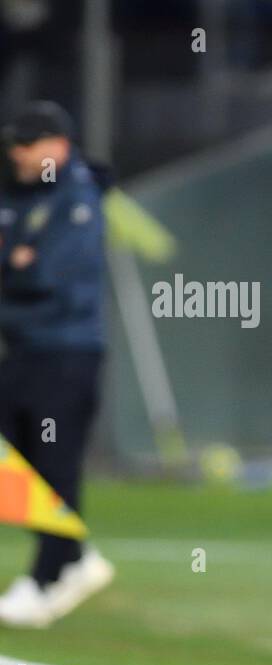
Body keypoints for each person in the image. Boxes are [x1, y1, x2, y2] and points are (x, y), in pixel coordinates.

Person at [0, 101, 114, 628]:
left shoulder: (78, 199)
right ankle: (72, 556)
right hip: (24, 351)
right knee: (16, 464)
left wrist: (16, 262)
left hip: (66, 353)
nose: (16, 153)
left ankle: (50, 573)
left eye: (27, 143)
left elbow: (40, 276)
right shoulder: (25, 195)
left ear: (57, 145)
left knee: (54, 461)